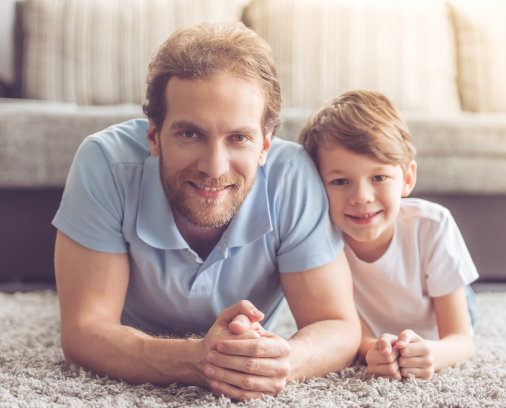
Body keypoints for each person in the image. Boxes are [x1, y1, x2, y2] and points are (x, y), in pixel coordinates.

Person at [52, 22, 360, 401]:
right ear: (153, 135)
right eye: (190, 134)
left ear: (264, 146)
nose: (214, 168)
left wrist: (282, 361)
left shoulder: (293, 175)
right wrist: (197, 359)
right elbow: (84, 332)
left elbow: (337, 325)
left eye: (238, 138)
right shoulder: (105, 163)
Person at [299, 90, 478, 381]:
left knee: (466, 307)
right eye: (340, 181)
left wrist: (432, 353)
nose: (361, 197)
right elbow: (346, 330)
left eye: (378, 177)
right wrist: (377, 350)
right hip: (371, 327)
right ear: (317, 187)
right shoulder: (316, 238)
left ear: (407, 178)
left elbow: (461, 340)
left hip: (437, 309)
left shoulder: (432, 224)